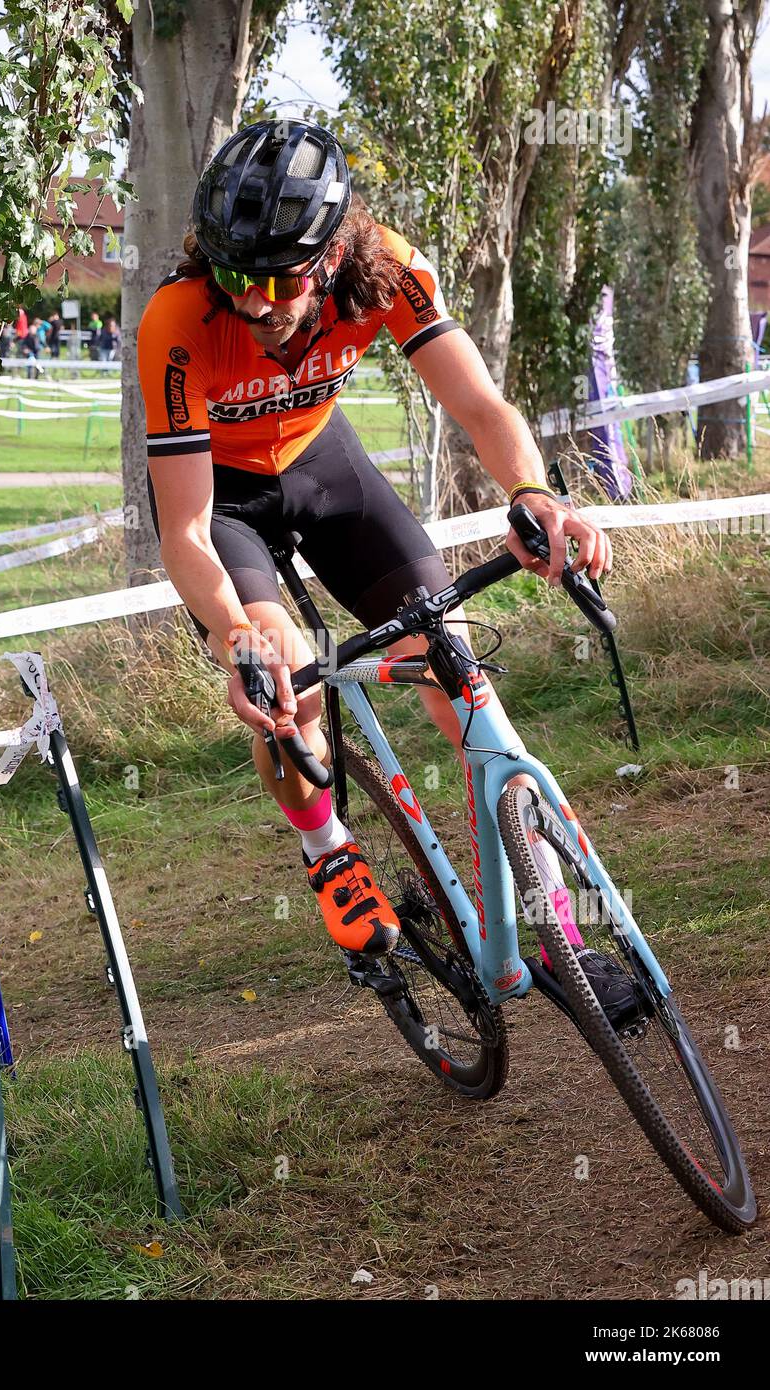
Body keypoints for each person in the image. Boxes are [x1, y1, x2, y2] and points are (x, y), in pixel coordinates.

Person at [137, 121, 633, 1018]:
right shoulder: (178, 322)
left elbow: (480, 404)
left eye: (280, 280)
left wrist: (534, 493)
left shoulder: (388, 270)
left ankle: (560, 930)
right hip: (225, 503)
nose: (255, 304)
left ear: (332, 254)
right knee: (286, 677)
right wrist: (235, 633)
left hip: (325, 468)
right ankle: (327, 848)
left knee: (454, 664)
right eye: (237, 278)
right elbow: (185, 530)